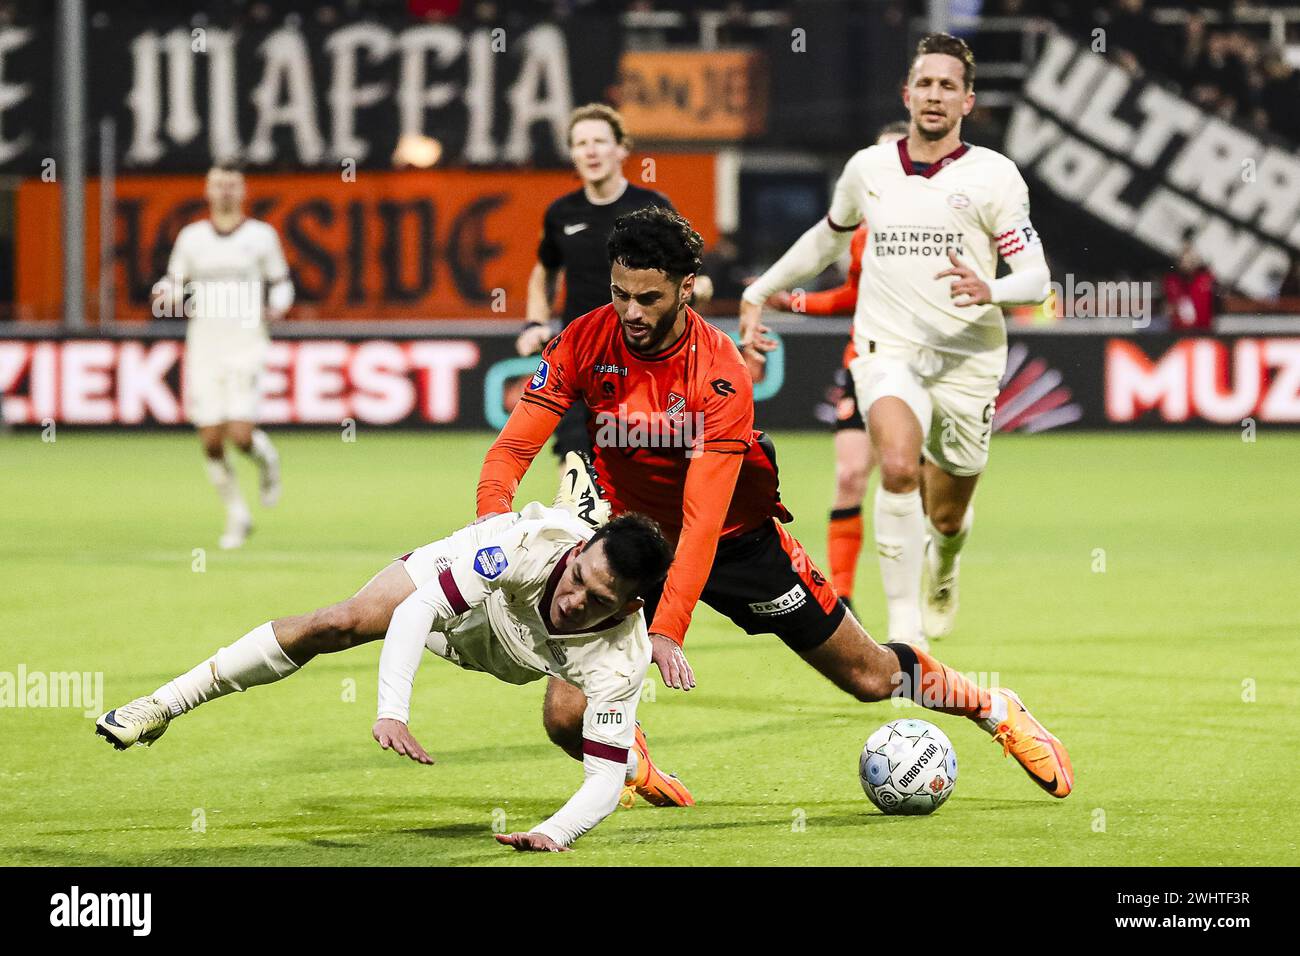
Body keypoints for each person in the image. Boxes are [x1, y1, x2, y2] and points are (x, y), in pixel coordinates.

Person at [480, 206, 1073, 801]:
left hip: (739, 543)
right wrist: (490, 523)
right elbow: (513, 447)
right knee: (564, 717)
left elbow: (702, 521)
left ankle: (993, 708)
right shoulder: (585, 338)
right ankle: (636, 768)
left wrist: (667, 629)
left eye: (649, 298)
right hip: (634, 541)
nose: (631, 312)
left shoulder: (718, 373)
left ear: (687, 289)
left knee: (869, 678)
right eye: (620, 294)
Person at [95, 458, 688, 851]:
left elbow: (599, 783)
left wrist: (553, 833)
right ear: (578, 553)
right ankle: (160, 704)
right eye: (578, 575)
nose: (572, 598)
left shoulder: (621, 657)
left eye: (596, 597)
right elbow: (416, 611)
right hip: (467, 598)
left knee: (569, 726)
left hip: (528, 652)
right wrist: (392, 711)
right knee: (341, 622)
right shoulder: (523, 550)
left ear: (632, 607)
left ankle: (645, 768)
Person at [741, 33, 1053, 648]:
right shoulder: (869, 169)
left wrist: (989, 289)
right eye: (926, 83)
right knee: (899, 468)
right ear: (908, 93)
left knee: (948, 513)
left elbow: (1037, 278)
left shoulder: (995, 177)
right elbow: (828, 239)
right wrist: (760, 291)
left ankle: (946, 562)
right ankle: (906, 638)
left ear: (967, 101)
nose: (935, 95)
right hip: (888, 351)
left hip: (967, 360)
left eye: (948, 86)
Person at [762, 122, 908, 615]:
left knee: (917, 485)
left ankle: (921, 587)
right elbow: (854, 297)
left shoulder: (938, 231)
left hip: (926, 369)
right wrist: (793, 299)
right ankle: (842, 598)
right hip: (866, 363)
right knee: (849, 474)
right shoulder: (863, 234)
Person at [516, 103, 677, 464]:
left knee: (642, 483)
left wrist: (696, 294)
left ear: (621, 149)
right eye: (580, 143)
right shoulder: (561, 213)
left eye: (600, 141)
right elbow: (545, 271)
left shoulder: (651, 207)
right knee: (573, 471)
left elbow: (685, 276)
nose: (590, 150)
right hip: (582, 360)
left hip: (644, 361)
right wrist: (535, 323)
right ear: (572, 154)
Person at [153, 163, 291, 550]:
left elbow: (281, 283)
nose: (225, 191)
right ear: (208, 190)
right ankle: (237, 515)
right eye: (218, 184)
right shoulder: (192, 238)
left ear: (242, 190)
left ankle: (266, 462)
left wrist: (277, 306)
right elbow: (175, 282)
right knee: (212, 440)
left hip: (246, 343)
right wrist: (165, 293)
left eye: (232, 184)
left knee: (240, 435)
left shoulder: (261, 237)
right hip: (205, 346)